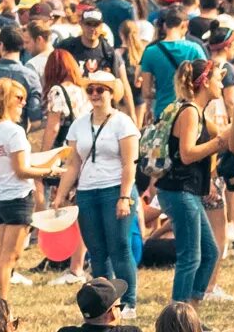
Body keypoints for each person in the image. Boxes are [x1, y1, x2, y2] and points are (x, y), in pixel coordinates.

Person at [0, 76, 68, 302]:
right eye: (19, 98)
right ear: (6, 100)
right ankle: (1, 307)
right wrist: (50, 172)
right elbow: (22, 170)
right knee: (9, 258)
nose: (23, 103)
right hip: (18, 197)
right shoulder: (14, 132)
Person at [158, 60, 226, 310]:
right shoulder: (190, 111)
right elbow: (187, 154)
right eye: (218, 78)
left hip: (187, 192)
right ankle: (177, 319)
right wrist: (217, 144)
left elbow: (225, 134)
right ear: (205, 82)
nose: (222, 83)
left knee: (210, 254)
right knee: (191, 257)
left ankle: (191, 315)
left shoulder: (199, 111)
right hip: (179, 191)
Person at [68, 72, 138, 312]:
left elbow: (130, 163)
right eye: (91, 90)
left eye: (101, 90)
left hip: (114, 189)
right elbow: (73, 163)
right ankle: (103, 304)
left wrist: (125, 196)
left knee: (119, 247)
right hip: (87, 192)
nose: (95, 94)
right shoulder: (79, 123)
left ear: (111, 93)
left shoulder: (123, 122)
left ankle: (128, 302)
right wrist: (60, 196)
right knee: (96, 251)